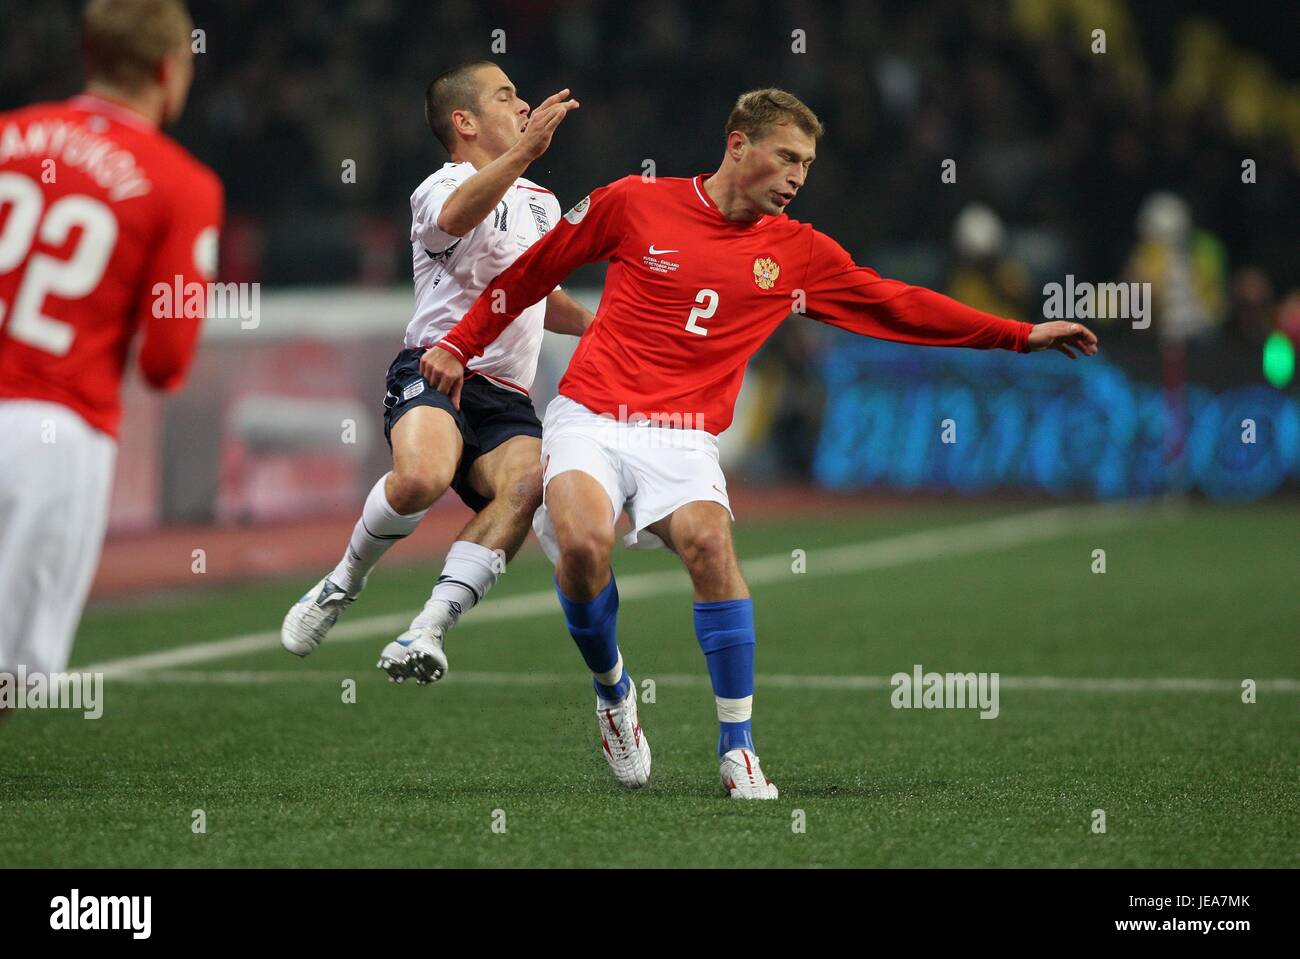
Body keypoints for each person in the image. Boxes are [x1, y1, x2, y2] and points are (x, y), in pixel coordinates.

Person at [422, 88, 1099, 798]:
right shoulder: (633, 201)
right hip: (589, 413)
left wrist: (1020, 335)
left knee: (712, 546)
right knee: (585, 548)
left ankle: (737, 746)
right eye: (786, 157)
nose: (797, 176)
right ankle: (614, 692)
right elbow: (528, 275)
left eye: (806, 164)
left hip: (682, 437)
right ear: (738, 145)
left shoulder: (797, 253)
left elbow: (897, 305)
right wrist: (458, 346)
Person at [280, 61, 592, 686]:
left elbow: (540, 296)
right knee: (422, 477)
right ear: (465, 121)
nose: (524, 104)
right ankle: (344, 582)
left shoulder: (542, 202)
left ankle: (428, 629)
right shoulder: (440, 186)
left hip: (506, 394)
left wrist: (602, 327)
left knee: (530, 485)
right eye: (506, 96)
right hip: (434, 367)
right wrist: (527, 154)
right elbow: (457, 219)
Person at [0, 0, 223, 710]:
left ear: (90, 54)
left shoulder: (7, 132)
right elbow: (164, 360)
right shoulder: (183, 184)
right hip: (53, 430)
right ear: (168, 68)